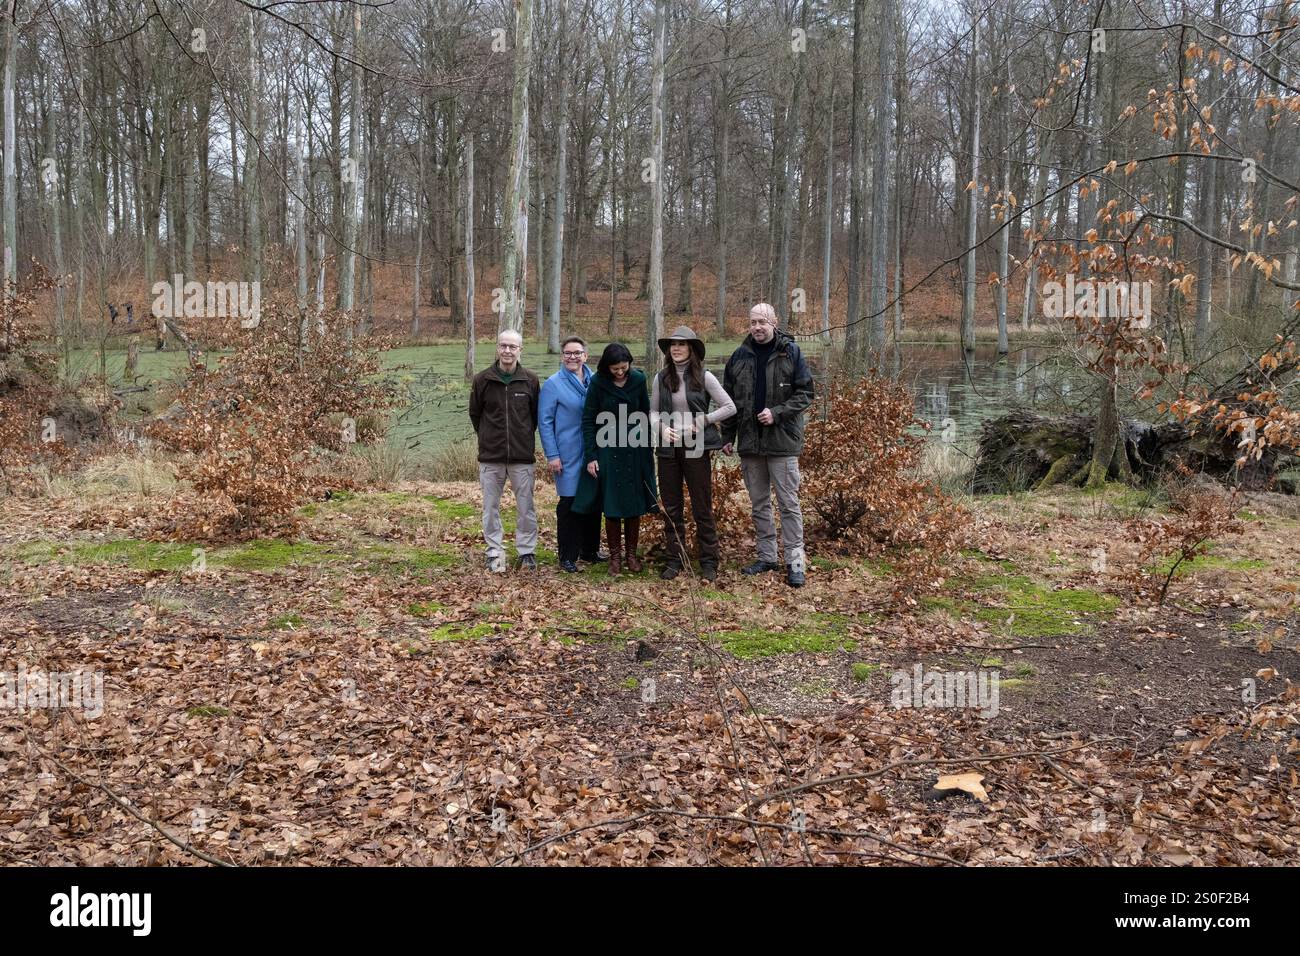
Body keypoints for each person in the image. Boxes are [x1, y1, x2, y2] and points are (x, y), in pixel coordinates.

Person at [720, 303, 815, 587]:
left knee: (788, 504)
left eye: (762, 321)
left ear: (774, 322)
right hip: (750, 444)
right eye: (752, 322)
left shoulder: (790, 352)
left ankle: (795, 563)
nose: (757, 327)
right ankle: (766, 557)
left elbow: (806, 393)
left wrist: (777, 413)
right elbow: (729, 402)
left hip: (782, 443)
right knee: (759, 504)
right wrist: (728, 436)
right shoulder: (738, 357)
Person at [650, 326, 736, 582]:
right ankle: (675, 559)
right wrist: (662, 429)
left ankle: (709, 561)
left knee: (701, 505)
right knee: (671, 507)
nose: (676, 348)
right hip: (667, 450)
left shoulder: (704, 377)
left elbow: (729, 407)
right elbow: (652, 412)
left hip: (697, 449)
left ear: (691, 349)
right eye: (672, 345)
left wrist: (701, 422)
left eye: (682, 344)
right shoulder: (661, 377)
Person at [573, 343, 659, 574]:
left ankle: (631, 555)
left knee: (633, 502)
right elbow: (589, 420)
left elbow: (645, 412)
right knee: (611, 503)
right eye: (615, 369)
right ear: (606, 367)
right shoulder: (598, 384)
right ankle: (614, 558)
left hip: (635, 447)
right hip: (607, 447)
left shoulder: (639, 380)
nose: (620, 372)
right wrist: (591, 456)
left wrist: (646, 445)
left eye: (624, 367)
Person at [469, 329, 540, 573]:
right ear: (497, 348)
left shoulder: (530, 380)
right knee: (490, 508)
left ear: (520, 349)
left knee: (526, 507)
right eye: (503, 346)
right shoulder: (482, 380)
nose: (507, 351)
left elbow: (535, 417)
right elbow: (475, 415)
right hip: (491, 457)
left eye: (512, 346)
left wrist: (521, 439)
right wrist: (490, 438)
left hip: (522, 457)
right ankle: (494, 553)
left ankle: (527, 552)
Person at [539, 337, 605, 572]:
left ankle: (590, 550)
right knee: (569, 504)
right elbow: (545, 422)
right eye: (568, 353)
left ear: (585, 356)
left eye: (577, 353)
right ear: (562, 356)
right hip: (566, 454)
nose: (572, 357)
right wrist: (552, 455)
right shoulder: (553, 384)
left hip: (592, 452)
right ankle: (567, 555)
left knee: (593, 501)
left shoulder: (595, 381)